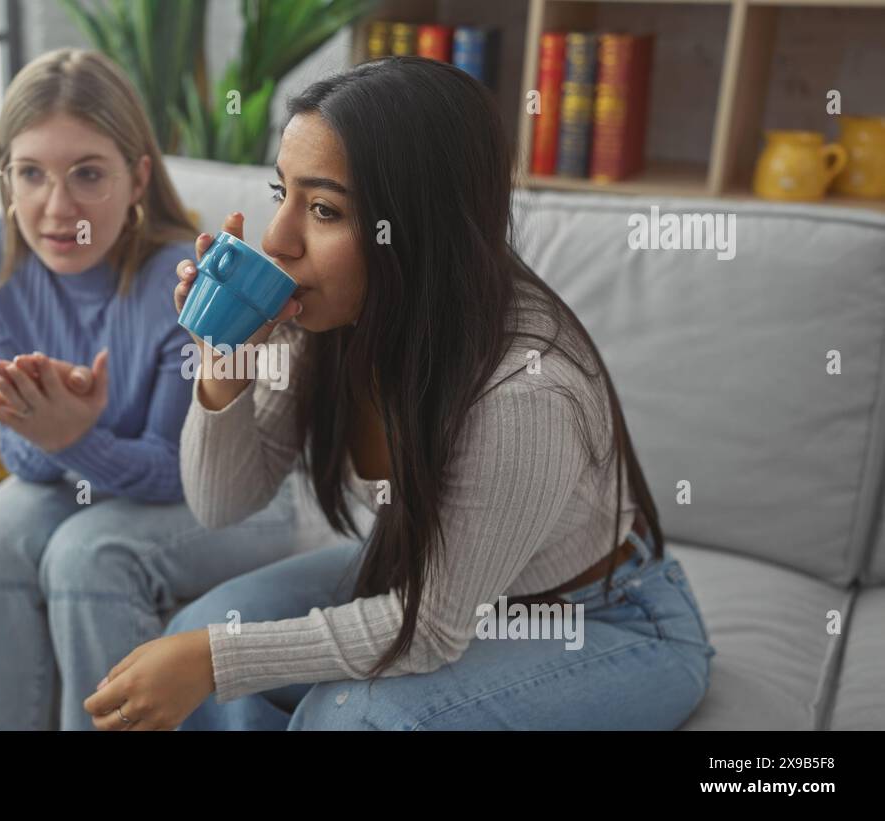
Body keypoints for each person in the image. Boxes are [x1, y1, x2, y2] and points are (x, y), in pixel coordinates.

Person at [82, 55, 717, 731]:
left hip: (600, 619)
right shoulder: (327, 321)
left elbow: (431, 628)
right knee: (204, 623)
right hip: (432, 579)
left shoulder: (526, 391)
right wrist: (225, 358)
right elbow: (220, 502)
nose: (278, 239)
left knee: (346, 716)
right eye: (282, 194)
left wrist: (217, 659)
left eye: (323, 209)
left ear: (415, 228)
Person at [0, 48, 302, 731]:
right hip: (91, 471)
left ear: (137, 179)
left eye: (88, 174)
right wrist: (64, 433)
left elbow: (179, 473)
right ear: (6, 180)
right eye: (31, 174)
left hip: (229, 493)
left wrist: (71, 433)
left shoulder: (178, 279)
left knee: (85, 554)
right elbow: (20, 457)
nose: (57, 207)